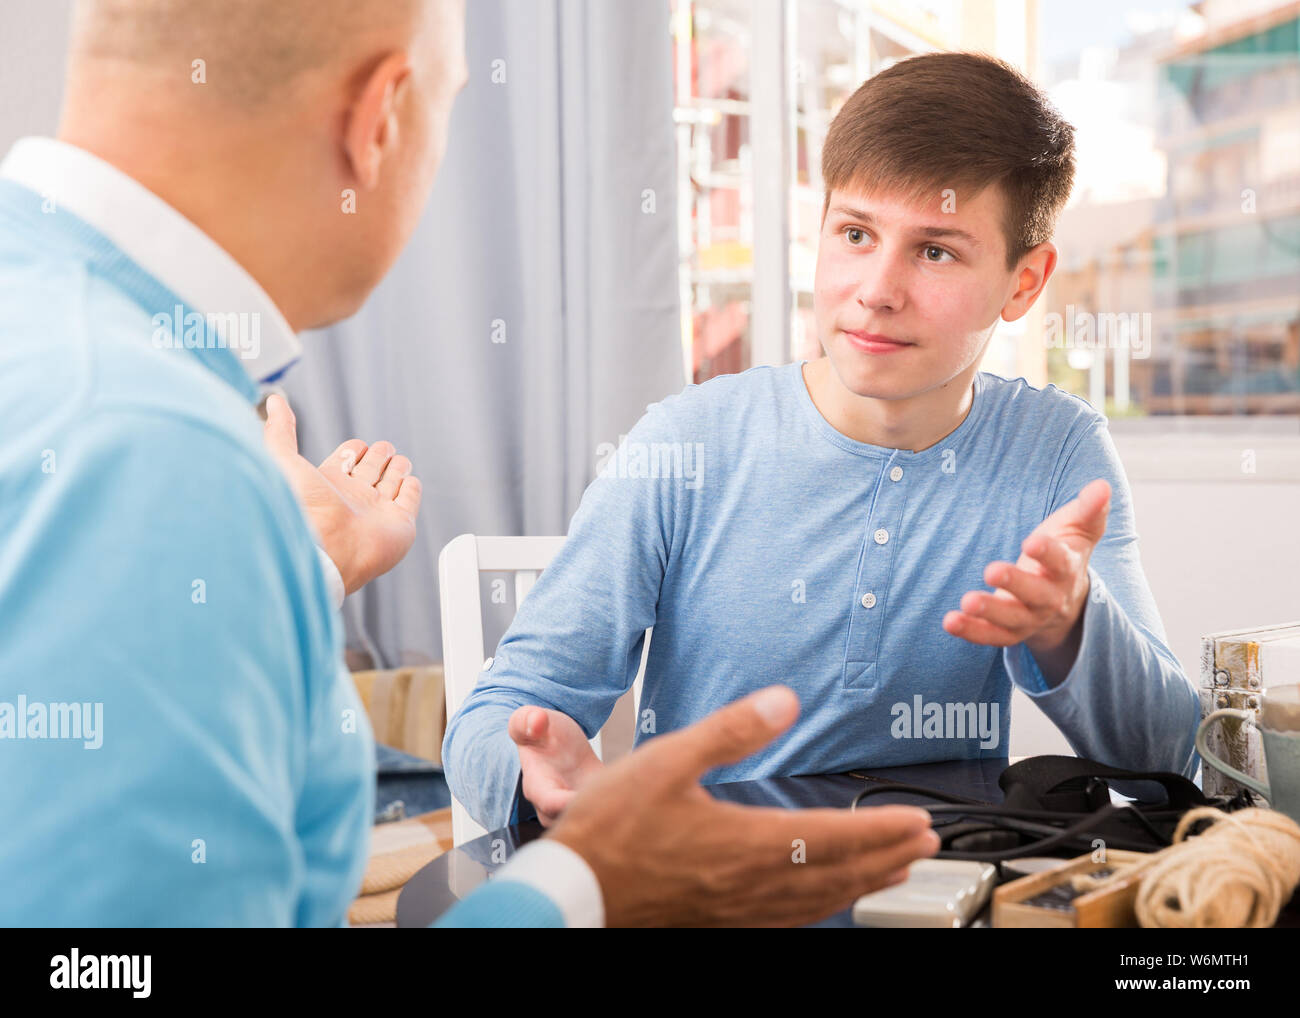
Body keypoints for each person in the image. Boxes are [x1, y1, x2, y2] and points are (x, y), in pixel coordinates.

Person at [0, 0, 937, 927]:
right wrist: (591, 885)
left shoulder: (62, 345)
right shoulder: (149, 450)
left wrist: (304, 574)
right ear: (381, 118)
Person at [443, 51, 1203, 834]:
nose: (876, 289)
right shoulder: (685, 442)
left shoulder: (1056, 450)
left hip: (939, 893)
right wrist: (542, 781)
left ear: (1023, 283)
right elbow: (491, 717)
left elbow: (1171, 763)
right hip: (706, 886)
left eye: (935, 250)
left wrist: (1071, 626)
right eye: (855, 233)